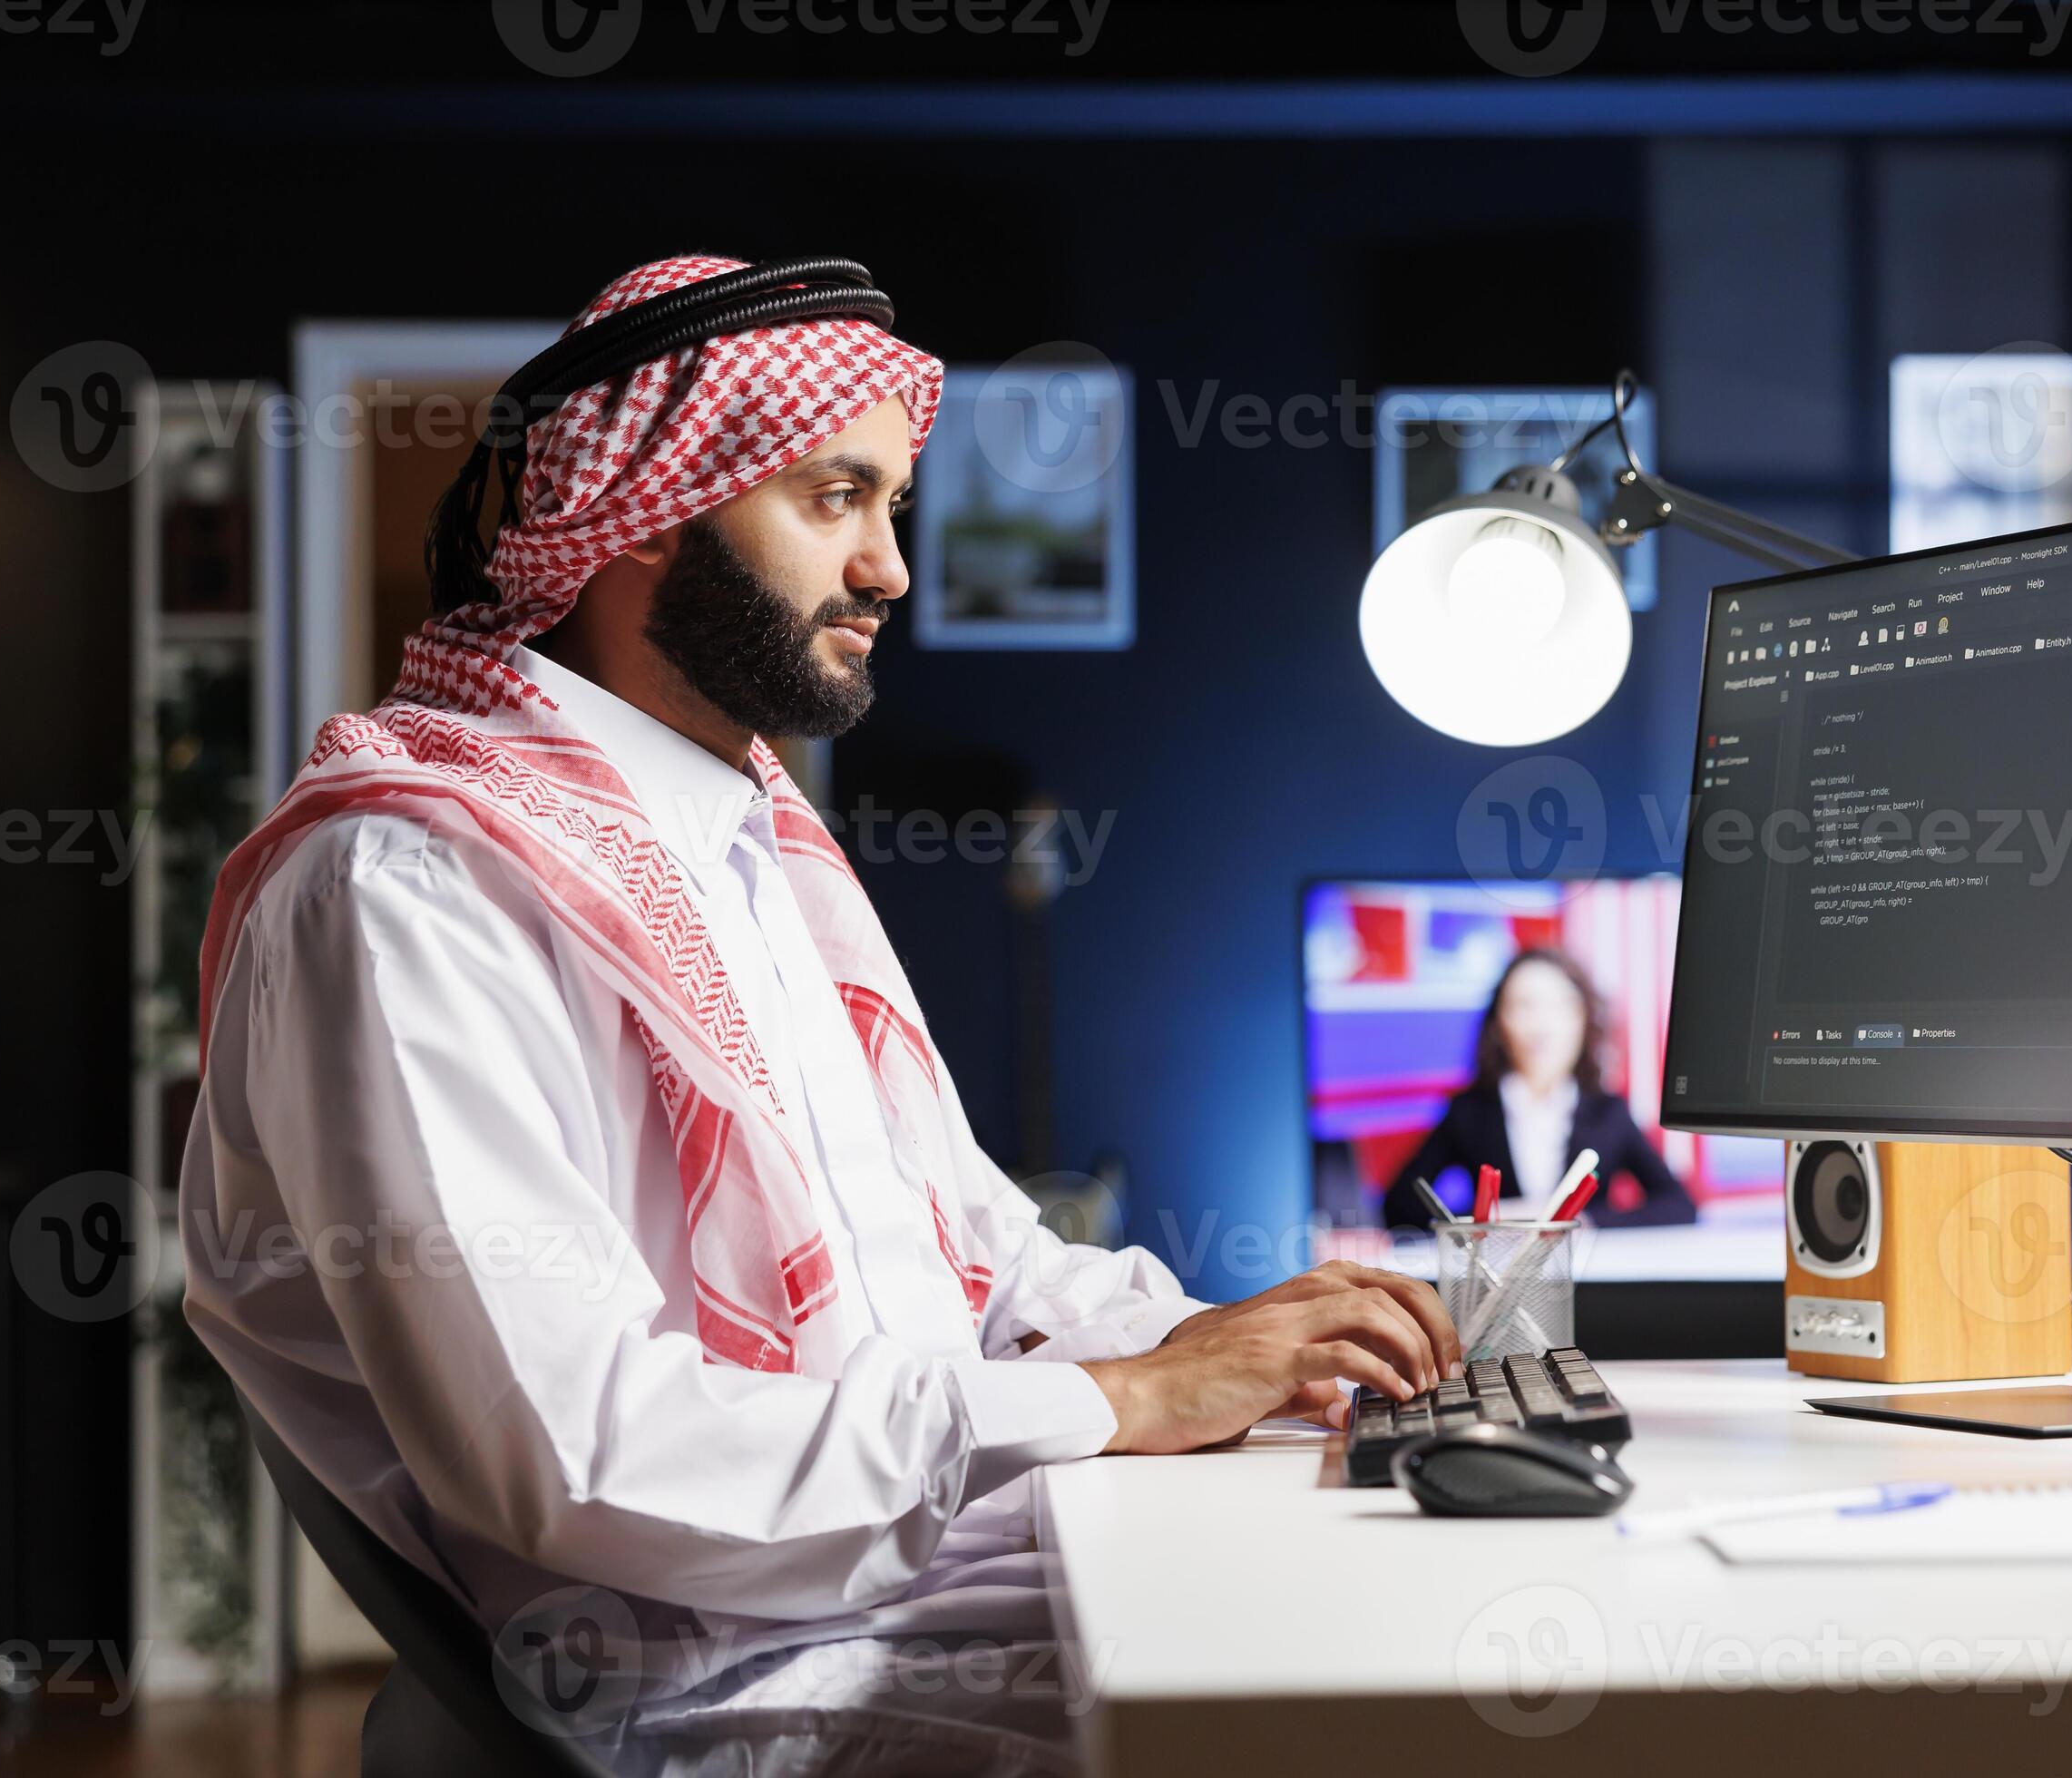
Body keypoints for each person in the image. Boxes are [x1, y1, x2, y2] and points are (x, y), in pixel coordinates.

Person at [180, 255, 1459, 1776]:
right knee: (1386, 1722)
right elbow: (576, 1458)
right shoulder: (403, 890)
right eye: (833, 497)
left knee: (1417, 1613)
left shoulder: (745, 841)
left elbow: (975, 1260)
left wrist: (1222, 1342)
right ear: (647, 508)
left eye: (892, 507)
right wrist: (1120, 1402)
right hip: (710, 1677)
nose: (890, 571)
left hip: (897, 1583)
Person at [1380, 947, 1695, 1231]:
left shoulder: (1607, 1112)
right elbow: (1399, 1207)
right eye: (1523, 1005)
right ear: (1498, 1023)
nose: (1541, 1024)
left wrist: (1586, 1221)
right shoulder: (1470, 1112)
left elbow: (1678, 1205)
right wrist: (1489, 1220)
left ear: (1583, 1019)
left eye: (1559, 1006)